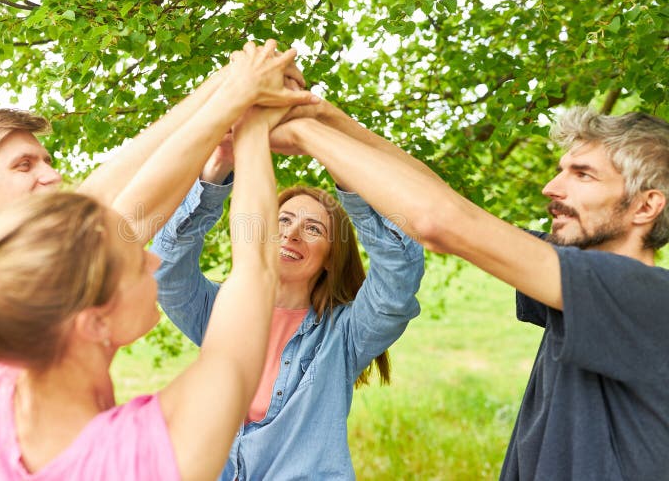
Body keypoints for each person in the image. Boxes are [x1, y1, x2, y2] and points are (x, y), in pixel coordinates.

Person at [0, 41, 302, 480]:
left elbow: (111, 214)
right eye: (137, 263)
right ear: (93, 321)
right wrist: (253, 125)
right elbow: (256, 266)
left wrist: (234, 94)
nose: (154, 262)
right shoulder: (147, 455)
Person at [271, 103, 669, 480]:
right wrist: (324, 115)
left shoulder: (644, 297)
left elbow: (441, 222)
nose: (552, 187)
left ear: (646, 206)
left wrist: (303, 133)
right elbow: (444, 200)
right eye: (561, 170)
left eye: (582, 174)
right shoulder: (584, 288)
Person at [150, 112, 425, 478]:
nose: (292, 234)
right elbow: (165, 270)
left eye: (313, 228)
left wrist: (345, 169)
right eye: (282, 220)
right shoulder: (221, 314)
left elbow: (399, 276)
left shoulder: (344, 336)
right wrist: (219, 166)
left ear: (331, 259)